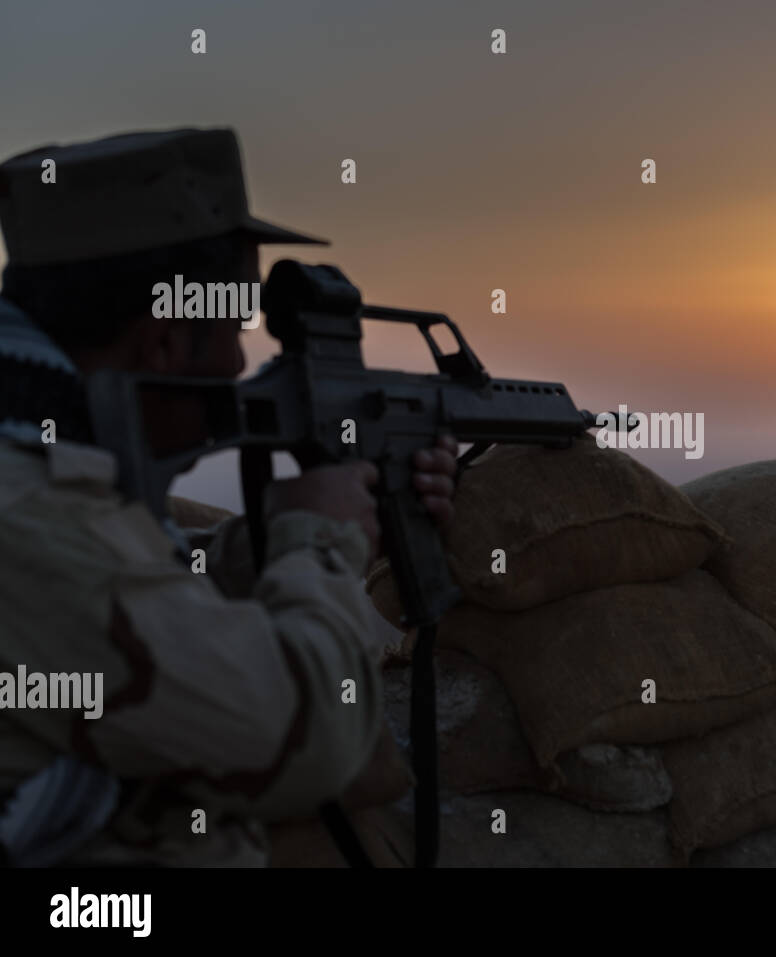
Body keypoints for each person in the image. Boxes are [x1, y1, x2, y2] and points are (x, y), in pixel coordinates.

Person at [0, 127, 456, 865]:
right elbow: (303, 739)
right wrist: (317, 540)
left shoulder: (39, 459)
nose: (245, 362)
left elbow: (147, 605)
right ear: (167, 342)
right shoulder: (33, 514)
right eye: (236, 328)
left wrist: (268, 539)